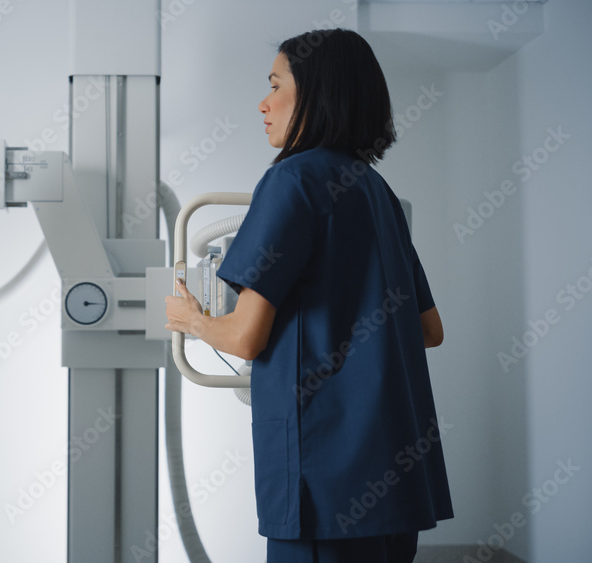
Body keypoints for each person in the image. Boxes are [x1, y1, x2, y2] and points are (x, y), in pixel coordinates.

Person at [165, 28, 452, 563]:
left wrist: (191, 319)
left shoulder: (291, 181)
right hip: (397, 477)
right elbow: (429, 330)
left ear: (317, 93)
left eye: (275, 85)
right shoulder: (376, 191)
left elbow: (246, 338)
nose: (263, 102)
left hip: (326, 483)